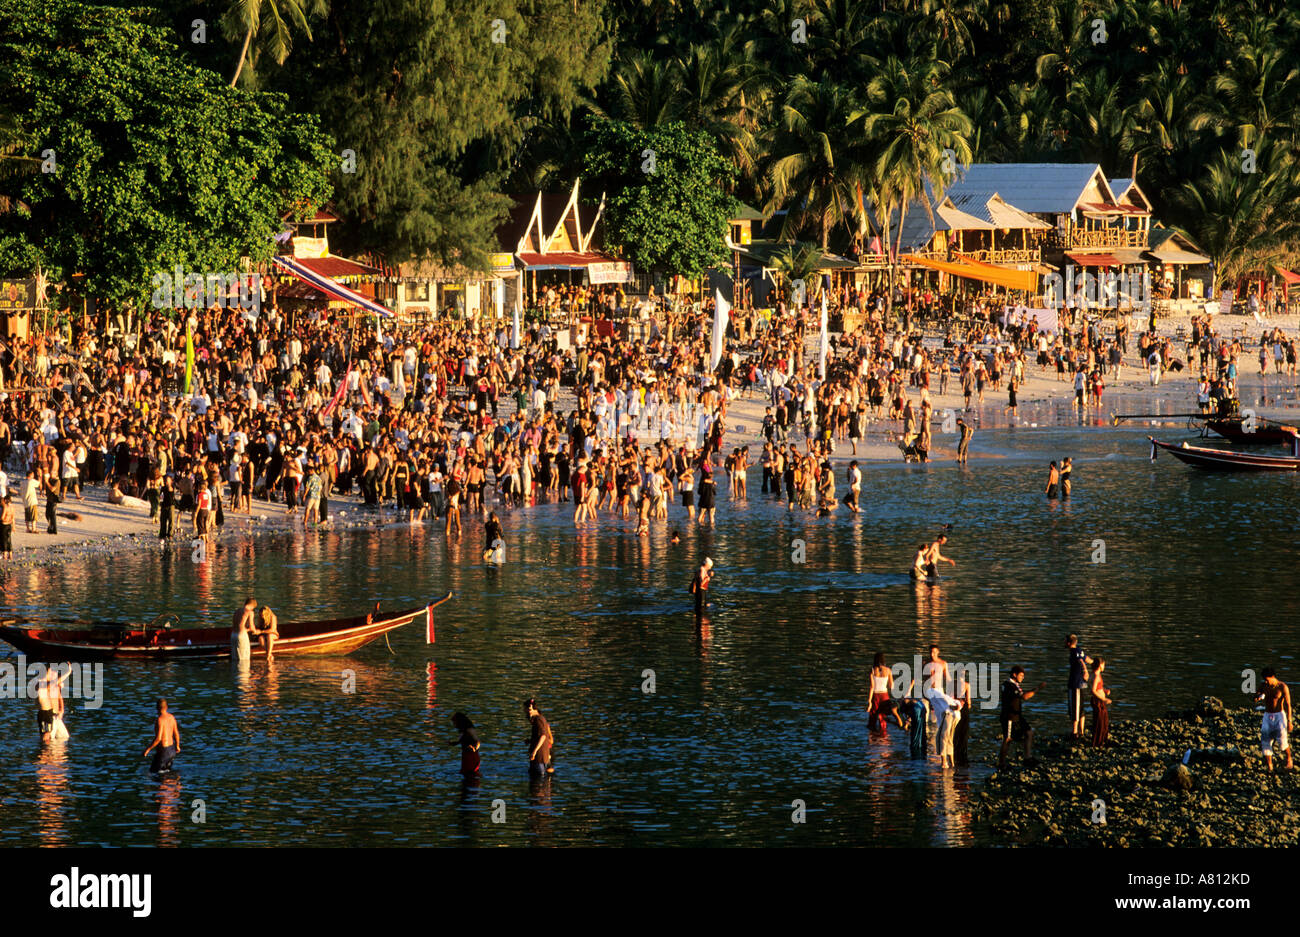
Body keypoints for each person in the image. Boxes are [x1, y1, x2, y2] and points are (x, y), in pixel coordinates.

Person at [998, 665, 1045, 769]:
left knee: (1029, 732)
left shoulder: (1014, 684)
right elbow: (1024, 697)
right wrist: (1037, 689)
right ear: (1014, 674)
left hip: (1017, 716)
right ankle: (1001, 763)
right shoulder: (1009, 685)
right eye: (1021, 675)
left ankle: (1027, 758)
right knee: (1008, 739)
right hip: (1009, 717)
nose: (1023, 677)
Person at [1256, 667, 1293, 771]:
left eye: (1267, 679)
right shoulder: (1263, 686)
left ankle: (1289, 758)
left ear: (1273, 677)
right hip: (1267, 715)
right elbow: (1255, 696)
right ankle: (1270, 765)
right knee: (1265, 740)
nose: (1266, 681)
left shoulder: (1282, 686)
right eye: (1264, 680)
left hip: (1279, 716)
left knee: (1282, 741)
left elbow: (1288, 704)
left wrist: (1290, 721)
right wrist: (1257, 697)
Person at [143, 698, 181, 773]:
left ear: (157, 708)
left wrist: (147, 750)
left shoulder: (159, 720)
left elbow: (158, 738)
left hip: (164, 751)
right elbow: (176, 733)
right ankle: (175, 784)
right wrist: (177, 746)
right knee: (167, 772)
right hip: (172, 750)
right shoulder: (172, 717)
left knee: (154, 772)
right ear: (166, 707)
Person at [1066, 634, 1093, 739]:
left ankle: (1075, 732)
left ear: (1068, 643)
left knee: (1075, 707)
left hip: (1075, 683)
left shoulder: (1074, 652)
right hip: (1080, 684)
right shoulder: (1079, 650)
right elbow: (1087, 659)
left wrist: (1085, 671)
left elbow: (1081, 661)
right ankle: (1081, 731)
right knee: (1080, 707)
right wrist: (1096, 663)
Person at [449, 712, 482, 779]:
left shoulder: (469, 729)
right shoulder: (462, 730)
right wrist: (454, 743)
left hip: (471, 756)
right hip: (465, 755)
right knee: (466, 774)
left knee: (470, 774)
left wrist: (474, 748)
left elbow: (477, 741)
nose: (454, 724)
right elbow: (463, 741)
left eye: (454, 722)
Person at [526, 698, 554, 777]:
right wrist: (531, 741)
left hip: (541, 756)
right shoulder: (541, 719)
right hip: (545, 755)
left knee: (540, 779)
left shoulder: (539, 720)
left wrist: (534, 751)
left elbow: (544, 736)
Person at [1090, 656, 1111, 748]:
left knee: (1104, 720)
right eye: (1104, 665)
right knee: (1100, 722)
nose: (1104, 666)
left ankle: (1103, 739)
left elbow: (1098, 688)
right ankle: (1098, 742)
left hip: (1100, 702)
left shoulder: (1097, 675)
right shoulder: (1096, 676)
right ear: (1100, 665)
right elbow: (1093, 690)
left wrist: (1104, 691)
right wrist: (1103, 699)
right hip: (1098, 702)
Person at [868, 652, 892, 731]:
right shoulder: (888, 670)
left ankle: (872, 735)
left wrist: (869, 701)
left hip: (875, 695)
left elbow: (872, 687)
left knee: (873, 716)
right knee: (883, 717)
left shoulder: (872, 670)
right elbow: (891, 686)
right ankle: (883, 734)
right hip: (885, 695)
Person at [231, 597, 256, 663]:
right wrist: (255, 631)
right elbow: (252, 627)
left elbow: (236, 624)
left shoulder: (237, 611)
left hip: (233, 635)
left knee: (235, 659)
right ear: (252, 605)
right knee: (243, 659)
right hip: (241, 636)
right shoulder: (250, 612)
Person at [0, 494, 13, 560]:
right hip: (9, 524)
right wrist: (14, 527)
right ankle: (10, 555)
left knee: (4, 540)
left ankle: (5, 555)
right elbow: (13, 518)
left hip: (4, 525)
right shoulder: (12, 507)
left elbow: (2, 517)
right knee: (9, 539)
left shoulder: (5, 507)